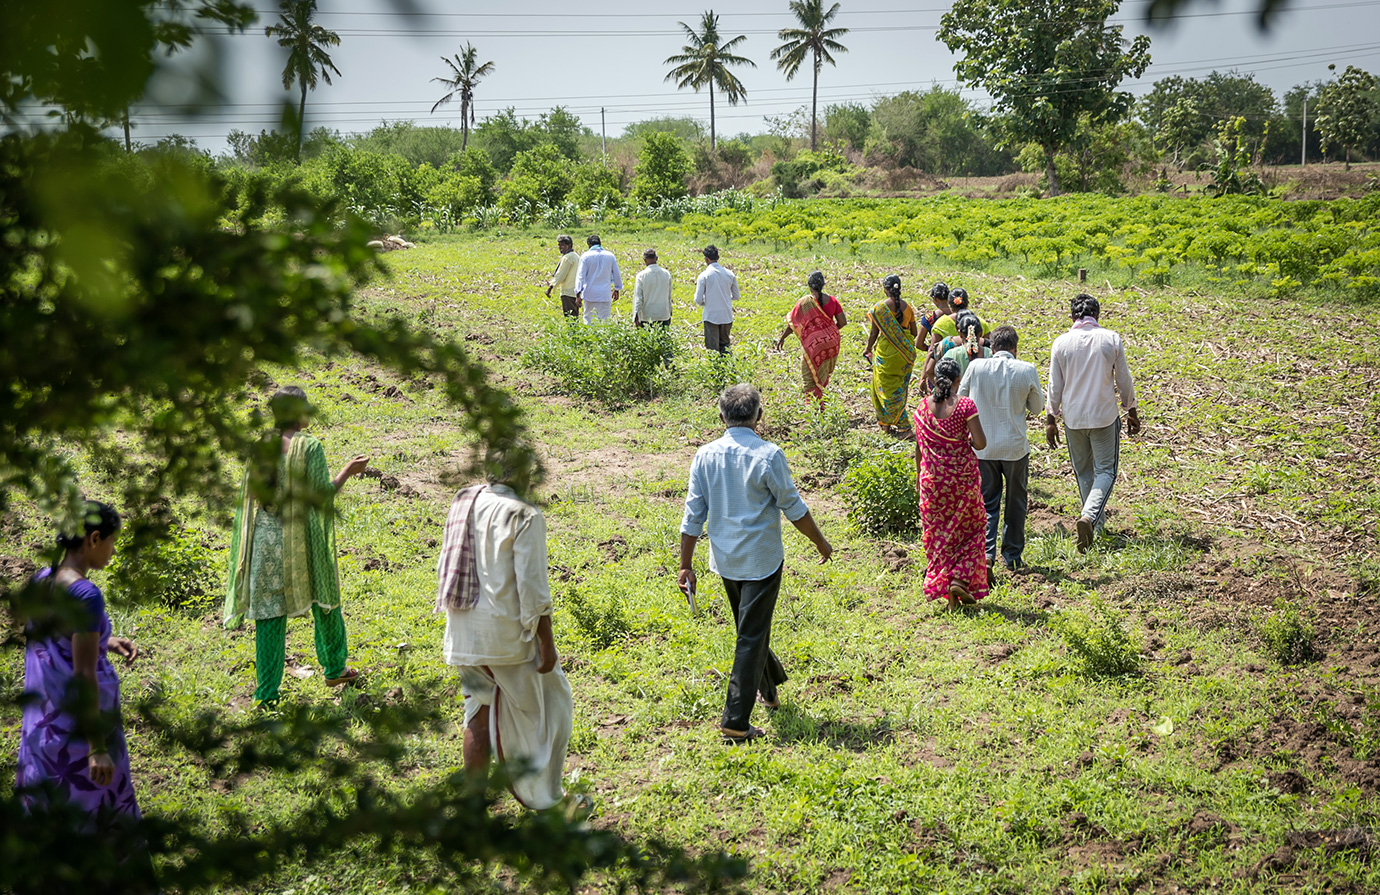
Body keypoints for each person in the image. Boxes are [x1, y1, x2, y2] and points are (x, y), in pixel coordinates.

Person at [679, 384, 832, 744]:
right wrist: (821, 542)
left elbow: (692, 515)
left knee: (750, 629)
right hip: (762, 560)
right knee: (751, 635)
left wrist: (685, 564)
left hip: (726, 560)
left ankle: (770, 686)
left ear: (721, 417)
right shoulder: (769, 455)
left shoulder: (705, 455)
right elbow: (793, 507)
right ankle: (735, 718)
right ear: (759, 417)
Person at [17, 501, 157, 890]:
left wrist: (102, 641)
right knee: (103, 809)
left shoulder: (42, 580)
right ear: (94, 539)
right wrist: (97, 746)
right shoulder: (86, 596)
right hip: (80, 737)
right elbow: (82, 675)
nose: (112, 551)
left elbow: (55, 638)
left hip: (45, 734)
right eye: (111, 542)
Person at [436, 474, 582, 813]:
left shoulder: (463, 500)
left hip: (462, 633)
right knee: (550, 708)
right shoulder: (525, 514)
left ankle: (472, 809)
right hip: (505, 640)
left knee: (478, 707)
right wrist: (547, 642)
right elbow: (533, 588)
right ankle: (548, 801)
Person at [226, 386, 370, 703]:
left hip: (264, 543)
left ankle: (266, 694)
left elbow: (251, 496)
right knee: (325, 599)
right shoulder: (309, 446)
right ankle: (335, 668)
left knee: (268, 616)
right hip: (300, 540)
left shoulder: (260, 447)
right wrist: (348, 470)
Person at [1046, 294, 1140, 553]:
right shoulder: (1110, 339)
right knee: (1106, 472)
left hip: (1073, 419)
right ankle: (1089, 517)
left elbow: (1055, 385)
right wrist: (1131, 409)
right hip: (1104, 417)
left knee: (1084, 472)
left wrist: (1051, 418)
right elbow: (1123, 379)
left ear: (1072, 317)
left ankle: (1094, 526)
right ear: (1097, 315)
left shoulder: (1061, 343)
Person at [958, 325, 1045, 575]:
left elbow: (962, 399)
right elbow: (1037, 408)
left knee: (987, 502)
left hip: (983, 447)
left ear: (992, 348)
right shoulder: (1026, 369)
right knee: (1016, 501)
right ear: (1015, 349)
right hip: (1015, 447)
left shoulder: (976, 367)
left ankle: (986, 553)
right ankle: (1013, 555)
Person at [915, 359, 989, 610]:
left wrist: (918, 478)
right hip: (962, 482)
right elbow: (980, 443)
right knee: (973, 530)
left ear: (934, 380)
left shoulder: (921, 409)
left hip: (932, 483)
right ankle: (958, 579)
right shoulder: (964, 405)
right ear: (958, 380)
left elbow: (919, 449)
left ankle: (951, 594)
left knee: (940, 536)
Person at [775, 270, 847, 400]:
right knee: (823, 375)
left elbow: (793, 324)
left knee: (809, 378)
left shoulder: (804, 302)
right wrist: (829, 332)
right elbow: (843, 322)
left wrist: (782, 338)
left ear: (809, 286)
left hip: (813, 346)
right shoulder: (832, 301)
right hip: (831, 343)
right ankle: (822, 405)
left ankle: (814, 410)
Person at [863, 274, 918, 431]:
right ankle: (887, 423)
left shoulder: (879, 309)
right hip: (905, 355)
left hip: (886, 354)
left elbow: (873, 334)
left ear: (885, 289)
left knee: (884, 388)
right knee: (899, 388)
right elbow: (913, 332)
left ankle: (898, 424)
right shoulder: (908, 308)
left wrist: (867, 349)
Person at [693, 244, 739, 354]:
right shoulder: (729, 274)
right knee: (725, 345)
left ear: (706, 259)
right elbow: (736, 296)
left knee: (712, 349)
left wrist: (708, 302)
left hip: (711, 316)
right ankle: (727, 368)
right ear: (718, 258)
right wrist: (725, 299)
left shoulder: (704, 275)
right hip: (726, 316)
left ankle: (716, 369)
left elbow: (698, 299)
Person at [574, 234, 622, 324]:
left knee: (589, 319)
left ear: (589, 245)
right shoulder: (610, 256)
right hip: (605, 294)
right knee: (604, 320)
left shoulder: (585, 256)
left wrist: (578, 294)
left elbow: (580, 276)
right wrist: (617, 289)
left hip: (590, 294)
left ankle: (590, 337)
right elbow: (617, 274)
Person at [632, 248, 672, 329]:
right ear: (656, 258)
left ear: (645, 260)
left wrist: (636, 316)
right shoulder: (666, 274)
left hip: (647, 316)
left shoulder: (641, 276)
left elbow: (638, 298)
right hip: (663, 314)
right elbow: (669, 296)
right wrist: (669, 313)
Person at [545, 234, 581, 318]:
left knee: (570, 317)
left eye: (563, 245)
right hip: (576, 292)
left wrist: (550, 287)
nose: (560, 247)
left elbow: (560, 275)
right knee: (574, 316)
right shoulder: (576, 256)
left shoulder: (567, 258)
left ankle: (572, 331)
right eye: (559, 245)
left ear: (569, 245)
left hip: (568, 292)